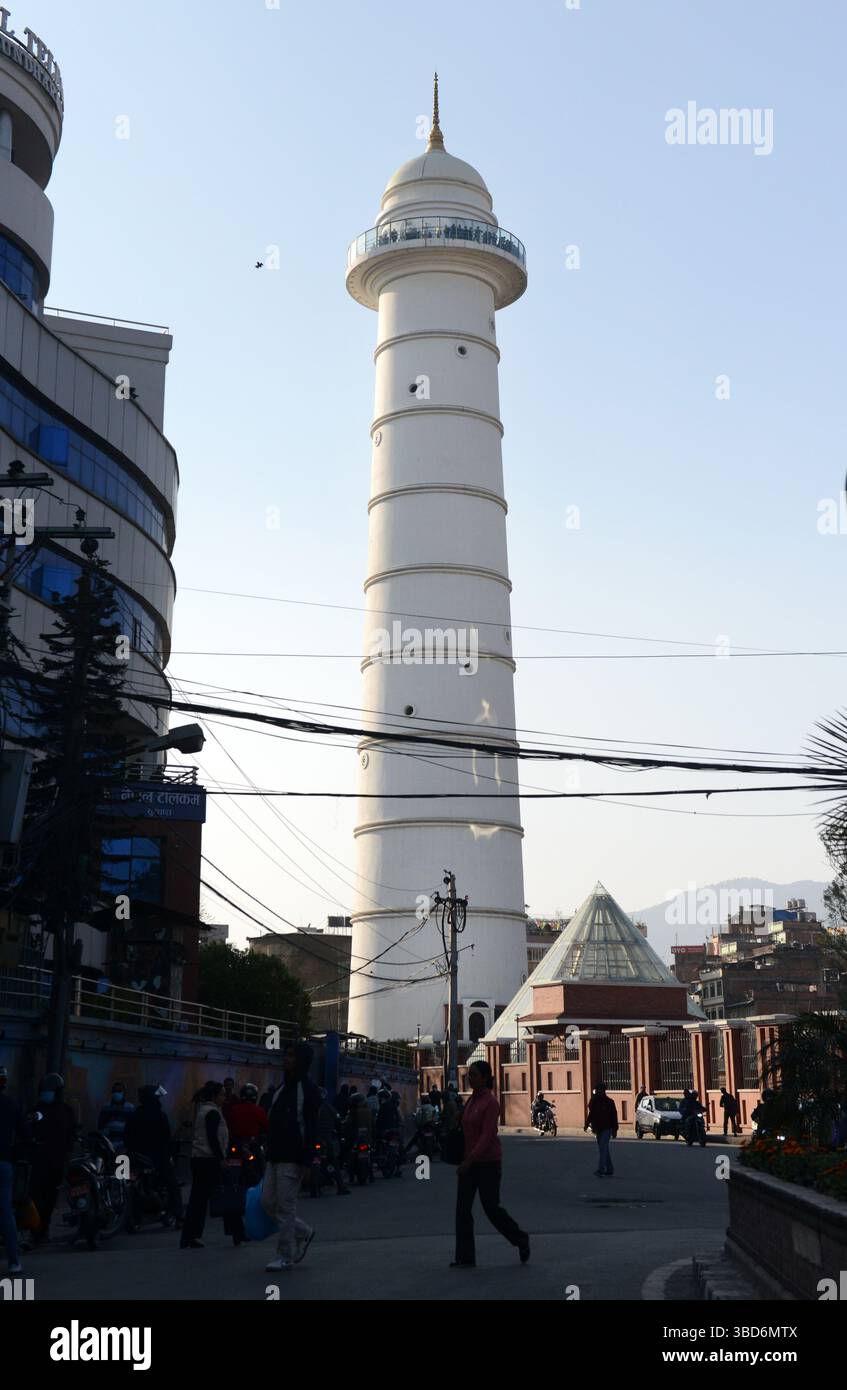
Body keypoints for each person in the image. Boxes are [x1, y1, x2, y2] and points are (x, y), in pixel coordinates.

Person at [452, 1060, 529, 1269]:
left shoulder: (490, 1103)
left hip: (488, 1163)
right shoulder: (470, 1101)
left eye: (474, 1075)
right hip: (470, 1163)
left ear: (485, 1078)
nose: (470, 1078)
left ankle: (521, 1239)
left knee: (491, 1208)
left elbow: (487, 1137)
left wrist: (469, 1161)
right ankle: (465, 1257)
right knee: (462, 1210)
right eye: (469, 1075)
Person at [262, 1042, 320, 1272]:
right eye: (286, 1054)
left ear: (302, 1061)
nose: (286, 1059)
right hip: (274, 1157)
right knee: (267, 1203)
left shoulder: (307, 1091)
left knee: (286, 1207)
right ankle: (303, 1232)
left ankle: (285, 1255)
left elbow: (311, 1128)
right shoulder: (279, 1091)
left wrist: (307, 1161)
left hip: (292, 1159)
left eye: (291, 1056)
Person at [124, 1084, 183, 1225]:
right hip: (156, 1156)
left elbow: (127, 1137)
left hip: (136, 1156)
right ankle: (178, 1216)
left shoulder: (135, 1114)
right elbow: (166, 1135)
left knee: (126, 1180)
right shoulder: (159, 1115)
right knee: (172, 1183)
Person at [180, 1081, 228, 1249]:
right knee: (223, 1195)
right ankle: (236, 1231)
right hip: (208, 1160)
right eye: (222, 1094)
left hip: (200, 1159)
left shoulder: (204, 1110)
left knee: (197, 1201)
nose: (224, 1097)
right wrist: (221, 1158)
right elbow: (213, 1139)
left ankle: (189, 1237)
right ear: (214, 1096)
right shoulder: (212, 1113)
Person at [30, 1073, 76, 1243]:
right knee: (35, 1195)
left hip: (56, 1161)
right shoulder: (37, 1110)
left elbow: (71, 1135)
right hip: (38, 1160)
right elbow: (28, 1130)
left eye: (49, 1091)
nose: (46, 1093)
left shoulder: (66, 1111)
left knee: (49, 1197)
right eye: (44, 1091)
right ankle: (35, 1229)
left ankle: (44, 1229)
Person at [0, 1066, 24, 1274]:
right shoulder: (11, 1105)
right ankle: (14, 1260)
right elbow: (25, 1134)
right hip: (4, 1163)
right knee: (5, 1212)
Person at [316, 1088, 349, 1195]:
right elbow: (338, 1120)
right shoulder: (328, 1107)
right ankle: (341, 1186)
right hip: (326, 1139)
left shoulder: (310, 1107)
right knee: (334, 1162)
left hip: (314, 1139)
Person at [584, 1082, 618, 1177]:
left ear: (603, 1091)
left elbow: (614, 1116)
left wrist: (615, 1129)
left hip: (607, 1128)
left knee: (603, 1148)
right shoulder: (594, 1101)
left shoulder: (609, 1102)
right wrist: (587, 1124)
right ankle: (610, 1168)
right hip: (598, 1128)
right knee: (604, 1149)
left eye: (599, 1090)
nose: (598, 1092)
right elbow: (591, 1114)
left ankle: (601, 1169)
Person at [97, 1081, 135, 1151]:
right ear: (112, 1092)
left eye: (119, 1090)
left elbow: (132, 1126)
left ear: (124, 1092)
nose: (117, 1093)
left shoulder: (130, 1107)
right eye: (115, 1090)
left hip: (123, 1142)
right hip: (109, 1141)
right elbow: (100, 1124)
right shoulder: (106, 1106)